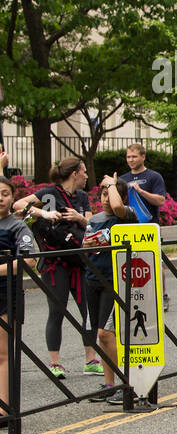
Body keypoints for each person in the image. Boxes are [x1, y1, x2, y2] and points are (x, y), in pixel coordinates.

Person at [28, 158, 96, 378]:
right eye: (84, 172)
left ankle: (90, 359)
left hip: (78, 261)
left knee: (87, 310)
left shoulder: (83, 197)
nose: (86, 176)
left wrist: (79, 217)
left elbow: (91, 225)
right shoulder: (49, 193)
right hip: (54, 263)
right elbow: (20, 205)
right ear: (75, 173)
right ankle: (55, 364)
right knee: (56, 311)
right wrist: (44, 213)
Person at [81, 176, 136, 404]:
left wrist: (112, 184)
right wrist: (88, 246)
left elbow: (116, 207)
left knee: (107, 333)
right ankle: (110, 384)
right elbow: (85, 249)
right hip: (93, 279)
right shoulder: (94, 219)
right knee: (100, 336)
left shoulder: (127, 215)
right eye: (102, 194)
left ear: (121, 197)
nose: (106, 200)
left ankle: (126, 383)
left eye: (110, 193)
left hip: (115, 281)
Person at [0, 170, 40, 418]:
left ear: (12, 198)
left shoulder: (17, 226)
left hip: (6, 295)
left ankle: (4, 409)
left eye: (5, 194)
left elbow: (29, 261)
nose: (0, 198)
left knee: (3, 353)